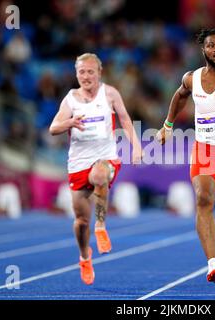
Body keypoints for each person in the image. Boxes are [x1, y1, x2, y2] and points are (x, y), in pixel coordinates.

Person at [156, 28, 215, 283]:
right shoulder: (191, 78)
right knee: (204, 198)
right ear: (203, 50)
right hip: (204, 149)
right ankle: (213, 264)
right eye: (211, 45)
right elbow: (179, 96)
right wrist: (167, 125)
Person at [49, 53, 142, 285]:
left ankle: (101, 226)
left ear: (99, 73)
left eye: (91, 71)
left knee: (100, 173)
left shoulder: (109, 93)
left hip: (105, 157)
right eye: (82, 72)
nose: (86, 76)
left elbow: (125, 120)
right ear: (76, 73)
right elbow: (53, 128)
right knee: (81, 221)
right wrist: (70, 122)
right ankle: (84, 257)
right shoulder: (70, 99)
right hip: (78, 163)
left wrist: (137, 147)